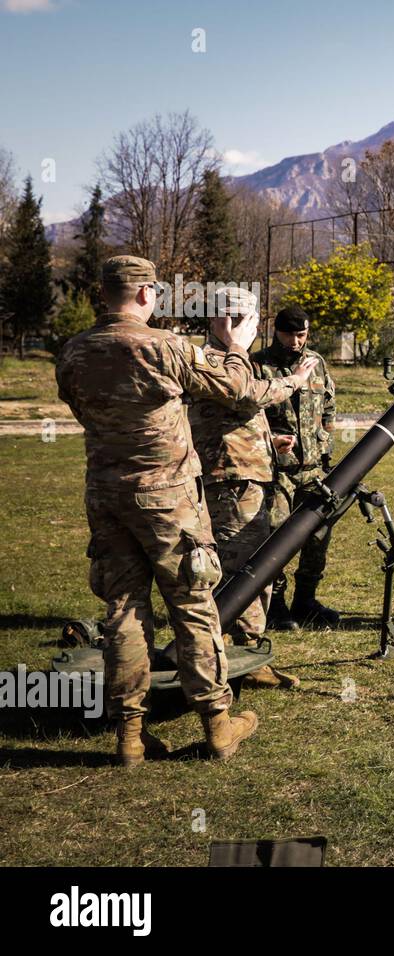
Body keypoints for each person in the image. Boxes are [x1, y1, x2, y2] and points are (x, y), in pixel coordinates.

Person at [54, 256, 262, 764]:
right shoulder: (165, 346)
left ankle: (129, 734)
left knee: (123, 608)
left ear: (103, 294)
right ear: (147, 294)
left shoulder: (74, 352)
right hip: (169, 499)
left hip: (106, 496)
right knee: (192, 602)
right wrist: (237, 346)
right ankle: (217, 724)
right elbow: (237, 390)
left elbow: (82, 407)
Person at [189, 287, 317, 689]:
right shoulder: (213, 358)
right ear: (220, 321)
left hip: (246, 472)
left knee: (253, 565)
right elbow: (248, 393)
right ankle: (227, 657)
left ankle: (247, 650)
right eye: (244, 321)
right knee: (238, 569)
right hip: (230, 479)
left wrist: (266, 442)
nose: (252, 329)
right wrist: (293, 382)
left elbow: (240, 412)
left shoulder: (230, 360)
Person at [253, 306, 339, 629]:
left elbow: (329, 406)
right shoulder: (260, 365)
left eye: (302, 335)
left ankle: (306, 601)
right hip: (278, 472)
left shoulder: (316, 364)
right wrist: (271, 439)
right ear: (277, 331)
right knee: (275, 537)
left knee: (318, 536)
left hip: (314, 469)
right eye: (290, 334)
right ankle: (274, 606)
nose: (296, 341)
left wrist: (326, 447)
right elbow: (250, 414)